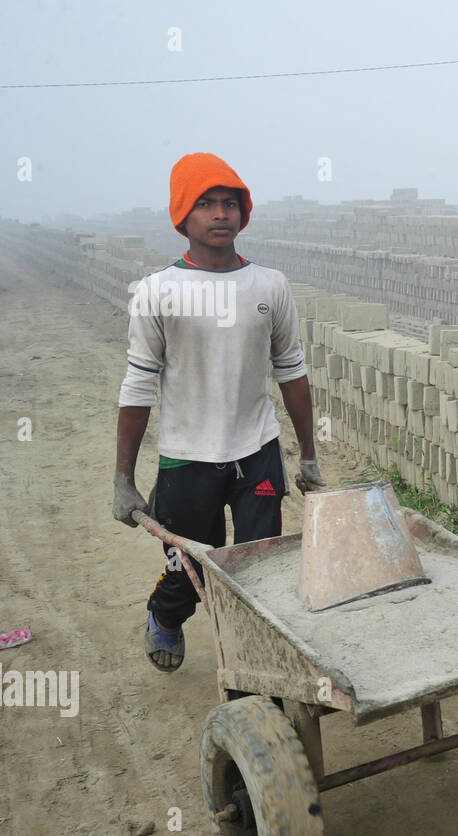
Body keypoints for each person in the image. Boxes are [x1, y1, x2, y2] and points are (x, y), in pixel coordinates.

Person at [112, 152, 325, 672]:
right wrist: (123, 478)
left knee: (259, 569)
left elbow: (292, 373)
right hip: (186, 458)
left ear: (243, 213)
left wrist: (310, 457)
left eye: (230, 203)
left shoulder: (270, 286)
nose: (220, 214)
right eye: (205, 204)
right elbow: (138, 386)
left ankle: (254, 668)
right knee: (193, 571)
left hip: (257, 452)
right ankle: (164, 616)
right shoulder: (158, 292)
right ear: (182, 216)